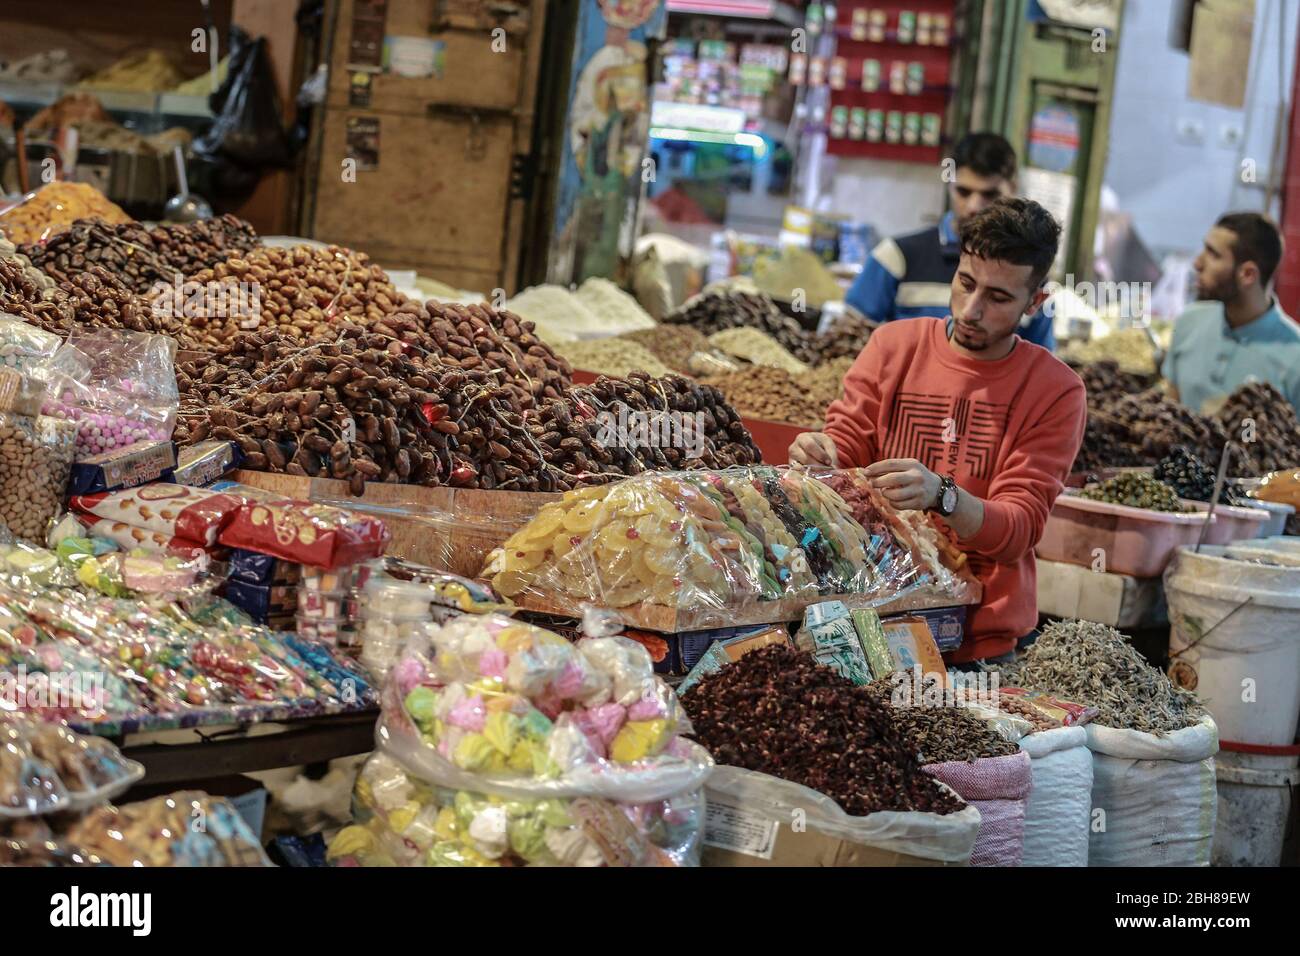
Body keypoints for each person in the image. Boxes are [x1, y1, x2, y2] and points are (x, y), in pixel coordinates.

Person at [790, 198, 1086, 666]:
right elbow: (846, 444)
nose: (971, 310)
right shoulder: (893, 346)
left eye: (999, 298)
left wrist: (942, 496)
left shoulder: (1055, 391)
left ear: (1035, 302)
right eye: (966, 283)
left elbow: (1019, 529)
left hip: (976, 646)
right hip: (868, 624)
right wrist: (820, 452)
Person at [845, 132, 1056, 350]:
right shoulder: (896, 257)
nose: (974, 206)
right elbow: (846, 337)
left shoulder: (1031, 277)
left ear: (1012, 188)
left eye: (990, 194)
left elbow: (1042, 363)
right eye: (963, 192)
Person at [1163, 212, 1300, 413]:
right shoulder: (1189, 322)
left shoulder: (1295, 357)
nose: (1197, 263)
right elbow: (1169, 411)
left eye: (1213, 254)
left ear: (1247, 274)